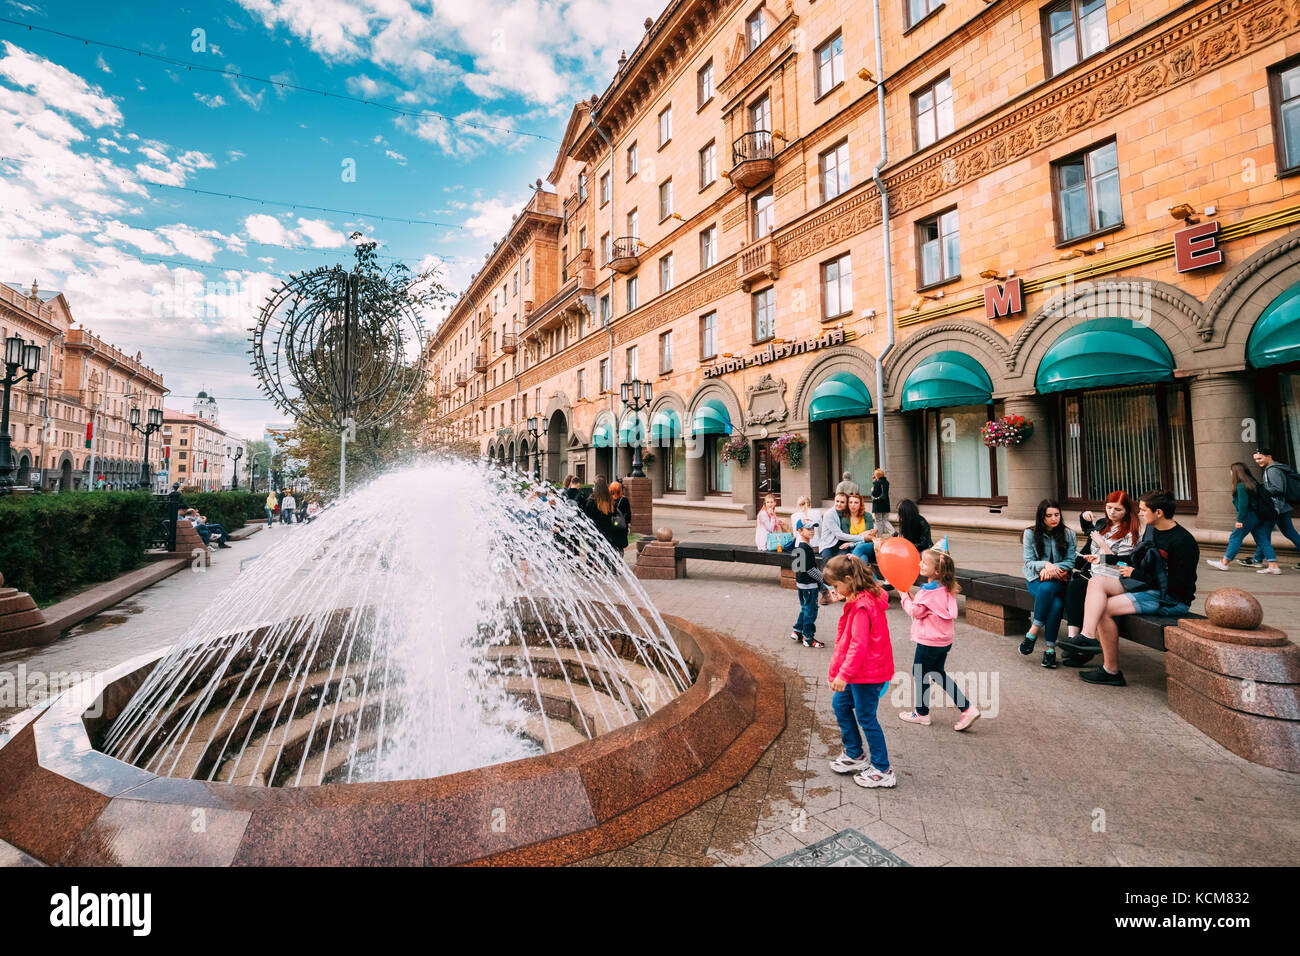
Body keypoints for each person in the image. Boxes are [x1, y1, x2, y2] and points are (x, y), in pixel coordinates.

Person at [1060, 489, 1199, 687]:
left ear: (1158, 512)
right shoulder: (1152, 530)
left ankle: (1111, 670)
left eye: (1143, 510)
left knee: (1105, 608)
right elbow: (1135, 559)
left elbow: (1178, 585)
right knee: (1096, 581)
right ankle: (1088, 636)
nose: (1140, 513)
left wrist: (1135, 574)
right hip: (1147, 586)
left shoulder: (1182, 542)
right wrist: (1107, 558)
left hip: (1169, 599)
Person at [823, 554, 896, 789]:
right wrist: (839, 595)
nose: (835, 590)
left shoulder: (862, 607)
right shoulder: (859, 596)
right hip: (861, 671)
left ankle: (883, 769)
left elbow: (859, 645)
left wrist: (843, 674)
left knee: (866, 717)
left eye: (836, 586)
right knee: (840, 705)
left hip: (866, 673)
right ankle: (855, 754)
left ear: (847, 579)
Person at [897, 547, 981, 731]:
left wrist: (903, 595)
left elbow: (915, 611)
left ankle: (921, 714)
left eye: (924, 563)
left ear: (937, 571)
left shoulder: (928, 592)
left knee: (920, 674)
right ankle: (967, 709)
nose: (919, 564)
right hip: (943, 641)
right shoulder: (946, 588)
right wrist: (911, 596)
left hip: (929, 641)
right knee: (937, 673)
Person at [1062, 491, 1141, 666]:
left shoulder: (1130, 533)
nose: (1112, 512)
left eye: (1118, 509)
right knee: (1075, 587)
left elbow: (1123, 561)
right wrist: (1083, 516)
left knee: (1082, 587)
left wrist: (1102, 544)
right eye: (1109, 507)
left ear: (1127, 511)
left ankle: (1082, 644)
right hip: (1095, 573)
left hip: (1113, 577)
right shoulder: (1102, 524)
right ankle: (1074, 639)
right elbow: (1087, 529)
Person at [1020, 498, 1076, 669]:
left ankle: (1033, 632)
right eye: (1049, 515)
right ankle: (1050, 650)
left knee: (1048, 588)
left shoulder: (1069, 534)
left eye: (1057, 514)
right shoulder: (1030, 533)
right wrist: (1045, 565)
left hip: (1059, 579)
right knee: (1056, 603)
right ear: (1041, 517)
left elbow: (1070, 561)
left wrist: (1052, 569)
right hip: (1036, 578)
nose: (1054, 518)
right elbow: (1029, 562)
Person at [1207, 462, 1280, 574]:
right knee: (1262, 540)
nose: (1230, 472)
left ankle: (1225, 562)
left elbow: (1243, 505)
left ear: (1236, 472)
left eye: (1231, 470)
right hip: (1258, 516)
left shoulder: (1241, 485)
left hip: (1248, 516)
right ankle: (1273, 566)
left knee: (1235, 537)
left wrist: (1240, 520)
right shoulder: (1252, 482)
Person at [1245, 447, 1298, 569]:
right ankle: (1257, 559)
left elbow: (1277, 488)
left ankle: (1258, 560)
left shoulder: (1272, 470)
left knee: (1264, 533)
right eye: (1256, 459)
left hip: (1275, 507)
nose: (1257, 461)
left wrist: (1260, 490)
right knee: (1289, 533)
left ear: (1269, 456)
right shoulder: (1276, 468)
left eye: (1260, 458)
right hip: (1281, 507)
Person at [789, 518, 827, 648]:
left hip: (802, 585)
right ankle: (808, 637)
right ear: (799, 531)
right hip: (809, 586)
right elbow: (810, 570)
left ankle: (797, 630)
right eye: (808, 529)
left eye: (813, 528)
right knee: (811, 611)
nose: (812, 531)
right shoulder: (807, 549)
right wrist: (823, 579)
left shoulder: (800, 547)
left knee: (805, 608)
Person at [817, 492, 867, 564]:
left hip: (842, 544)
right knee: (827, 564)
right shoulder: (829, 514)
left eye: (842, 502)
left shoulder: (848, 513)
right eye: (837, 501)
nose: (839, 504)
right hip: (828, 544)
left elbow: (862, 517)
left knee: (843, 562)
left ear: (846, 504)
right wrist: (862, 537)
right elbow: (839, 535)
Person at [583, 477, 623, 566]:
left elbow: (587, 517)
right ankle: (605, 568)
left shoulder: (591, 501)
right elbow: (613, 514)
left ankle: (589, 570)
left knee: (591, 551)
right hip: (607, 530)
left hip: (593, 530)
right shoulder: (610, 501)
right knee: (604, 550)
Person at [608, 480, 632, 550]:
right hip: (622, 526)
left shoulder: (608, 500)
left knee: (612, 545)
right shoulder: (624, 500)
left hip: (612, 526)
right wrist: (628, 524)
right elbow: (628, 513)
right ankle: (619, 558)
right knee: (621, 545)